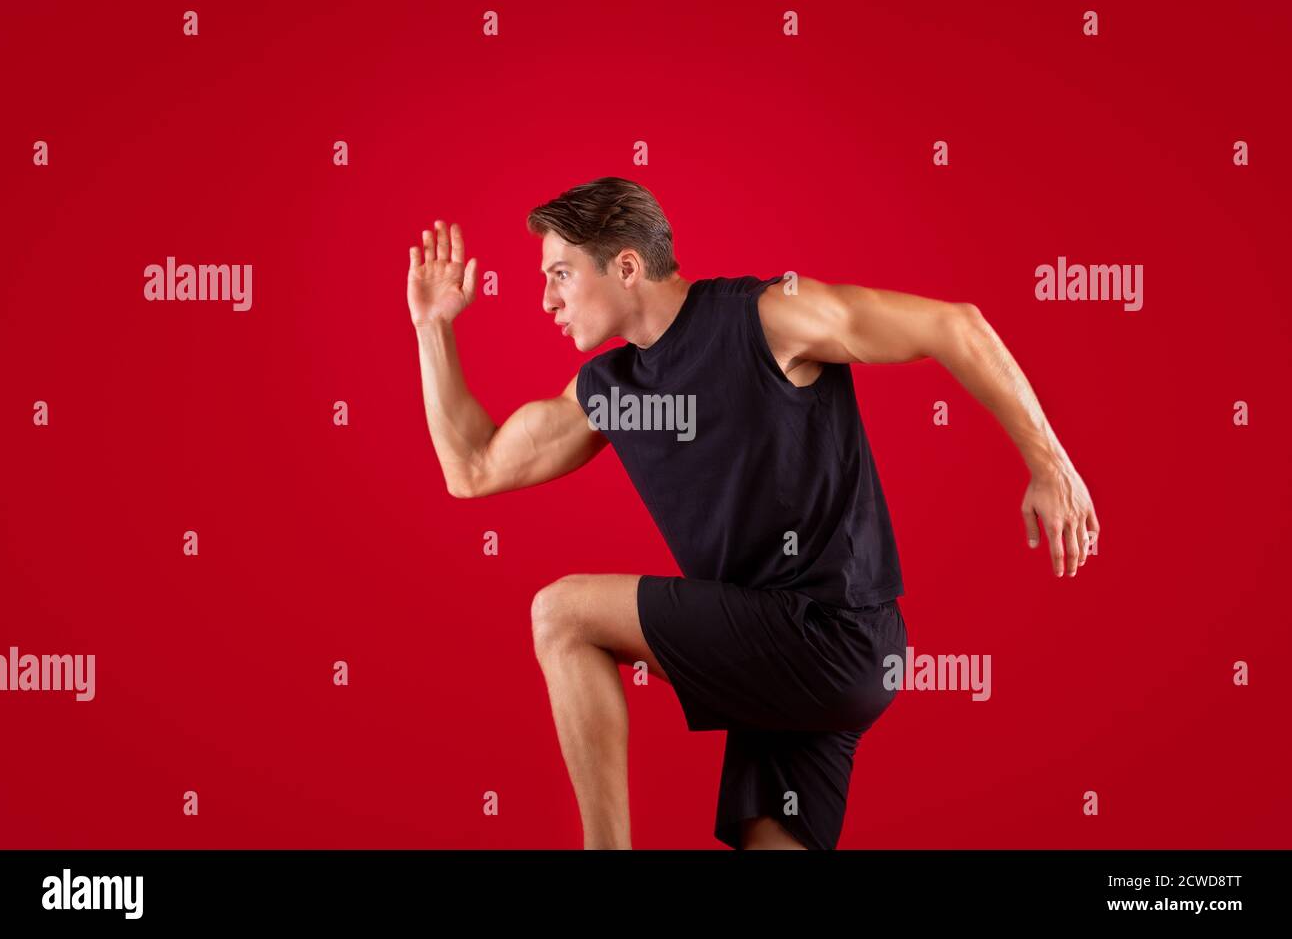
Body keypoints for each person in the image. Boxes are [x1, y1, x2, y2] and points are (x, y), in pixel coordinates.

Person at [406, 177, 1099, 850]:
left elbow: (955, 324)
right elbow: (473, 469)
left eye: (560, 274)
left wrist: (1050, 464)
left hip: (836, 636)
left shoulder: (767, 318)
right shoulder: (607, 392)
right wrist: (433, 329)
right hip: (774, 656)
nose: (546, 300)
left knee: (560, 614)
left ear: (624, 267)